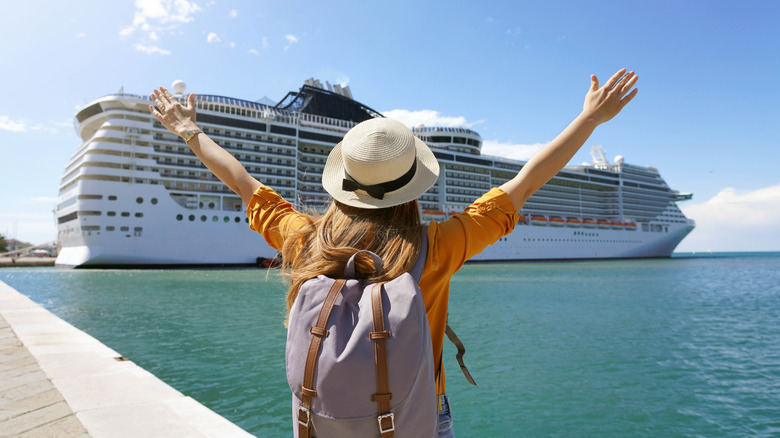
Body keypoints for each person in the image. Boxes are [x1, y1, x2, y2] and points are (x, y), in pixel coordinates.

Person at [149, 68, 638, 436]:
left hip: (323, 416)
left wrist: (188, 130)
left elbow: (243, 183)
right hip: (419, 412)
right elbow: (526, 181)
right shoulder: (439, 246)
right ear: (414, 188)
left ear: (343, 185)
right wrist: (589, 119)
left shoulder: (304, 238)